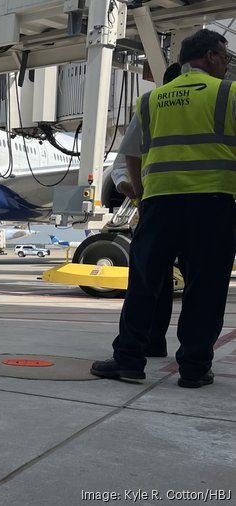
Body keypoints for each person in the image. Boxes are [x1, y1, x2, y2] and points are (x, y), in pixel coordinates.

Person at [91, 29, 236, 389]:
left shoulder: (151, 100)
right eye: (224, 56)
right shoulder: (229, 94)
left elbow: (132, 155)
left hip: (159, 204)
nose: (226, 63)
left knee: (144, 283)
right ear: (208, 56)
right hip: (214, 203)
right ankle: (194, 367)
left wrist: (143, 197)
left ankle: (128, 360)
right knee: (206, 287)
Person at [105, 62, 183, 357]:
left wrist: (135, 190)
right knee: (197, 284)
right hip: (197, 205)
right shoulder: (154, 108)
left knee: (150, 281)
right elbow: (123, 165)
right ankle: (193, 360)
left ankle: (139, 349)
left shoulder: (152, 104)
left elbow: (123, 166)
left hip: (158, 205)